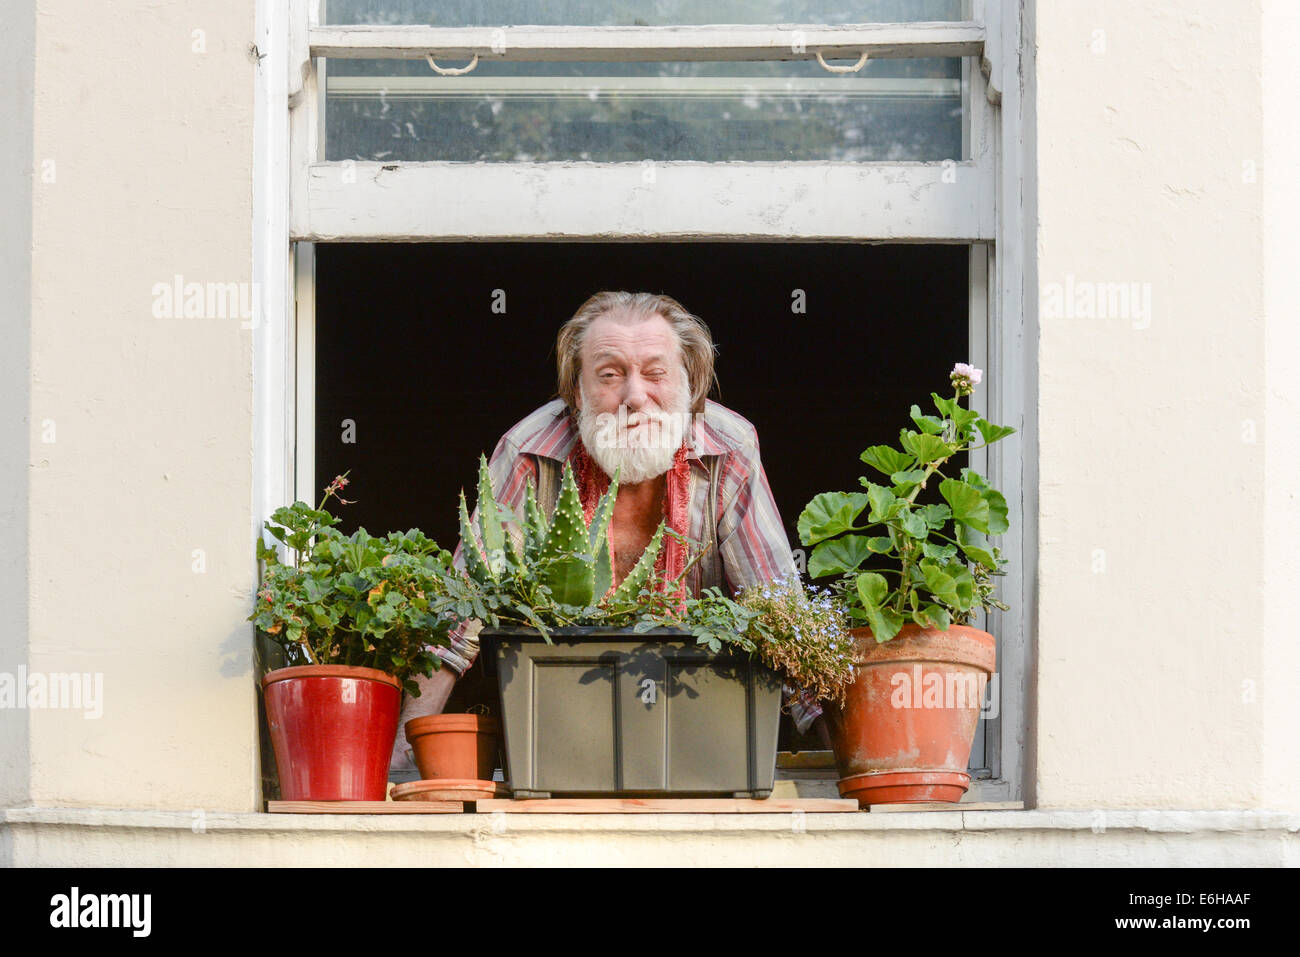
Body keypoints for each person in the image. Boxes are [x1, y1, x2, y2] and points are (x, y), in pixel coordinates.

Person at [390, 291, 822, 774]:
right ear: (576, 391)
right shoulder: (530, 452)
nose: (635, 396)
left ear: (690, 382)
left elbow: (778, 606)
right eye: (610, 374)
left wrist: (837, 755)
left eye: (655, 373)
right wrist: (402, 756)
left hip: (702, 732)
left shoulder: (730, 449)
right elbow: (461, 609)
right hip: (559, 731)